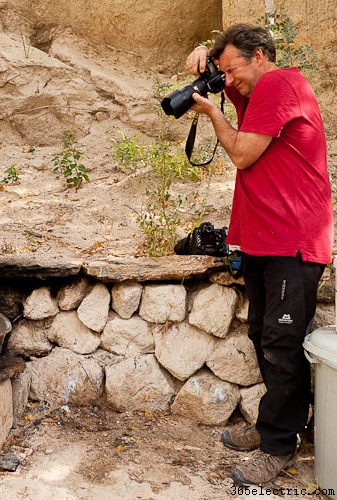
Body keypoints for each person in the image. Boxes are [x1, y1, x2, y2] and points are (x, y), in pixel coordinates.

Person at [185, 25, 333, 486]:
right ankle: (280, 428)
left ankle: (278, 449)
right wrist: (205, 64)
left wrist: (210, 110)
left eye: (232, 70)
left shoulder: (278, 83)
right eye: (223, 71)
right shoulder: (257, 91)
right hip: (265, 240)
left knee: (281, 346)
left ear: (260, 56)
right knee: (265, 339)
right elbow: (236, 99)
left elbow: (244, 153)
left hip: (293, 240)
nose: (228, 80)